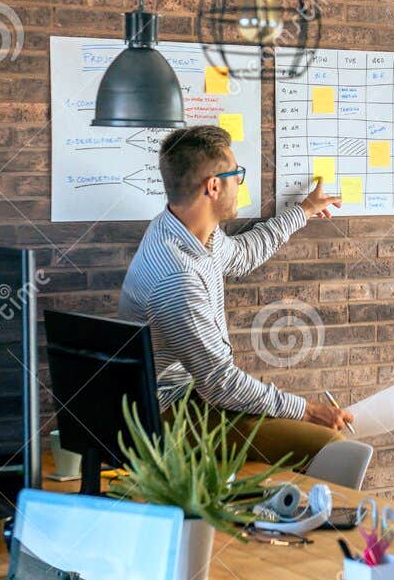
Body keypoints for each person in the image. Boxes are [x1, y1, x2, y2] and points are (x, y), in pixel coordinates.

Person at [119, 125, 353, 466]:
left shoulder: (180, 230)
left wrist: (302, 211)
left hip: (193, 396)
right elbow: (221, 384)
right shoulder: (178, 276)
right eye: (236, 174)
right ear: (213, 186)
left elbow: (243, 254)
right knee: (330, 445)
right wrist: (309, 410)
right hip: (171, 416)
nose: (240, 182)